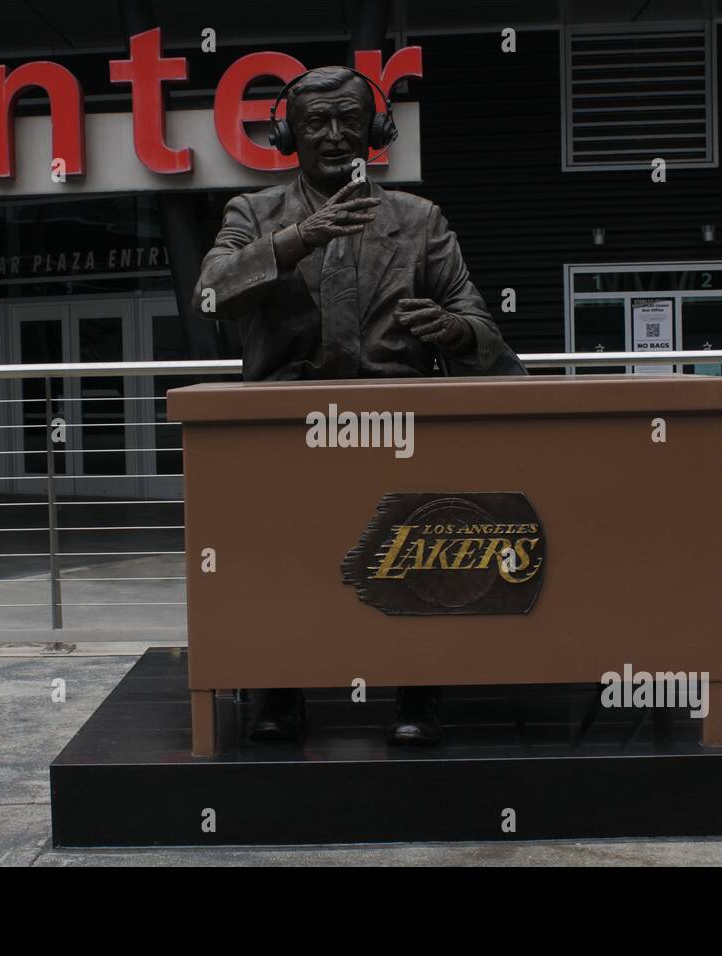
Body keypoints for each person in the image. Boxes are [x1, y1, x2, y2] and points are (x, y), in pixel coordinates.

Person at [192, 65, 526, 745]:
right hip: (286, 429)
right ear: (290, 135)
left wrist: (454, 329)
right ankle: (280, 695)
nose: (335, 135)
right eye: (316, 122)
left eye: (349, 119)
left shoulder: (418, 219)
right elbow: (212, 294)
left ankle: (416, 694)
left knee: (415, 560)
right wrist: (301, 238)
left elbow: (483, 325)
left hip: (400, 427)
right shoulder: (252, 214)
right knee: (283, 562)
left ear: (375, 131)